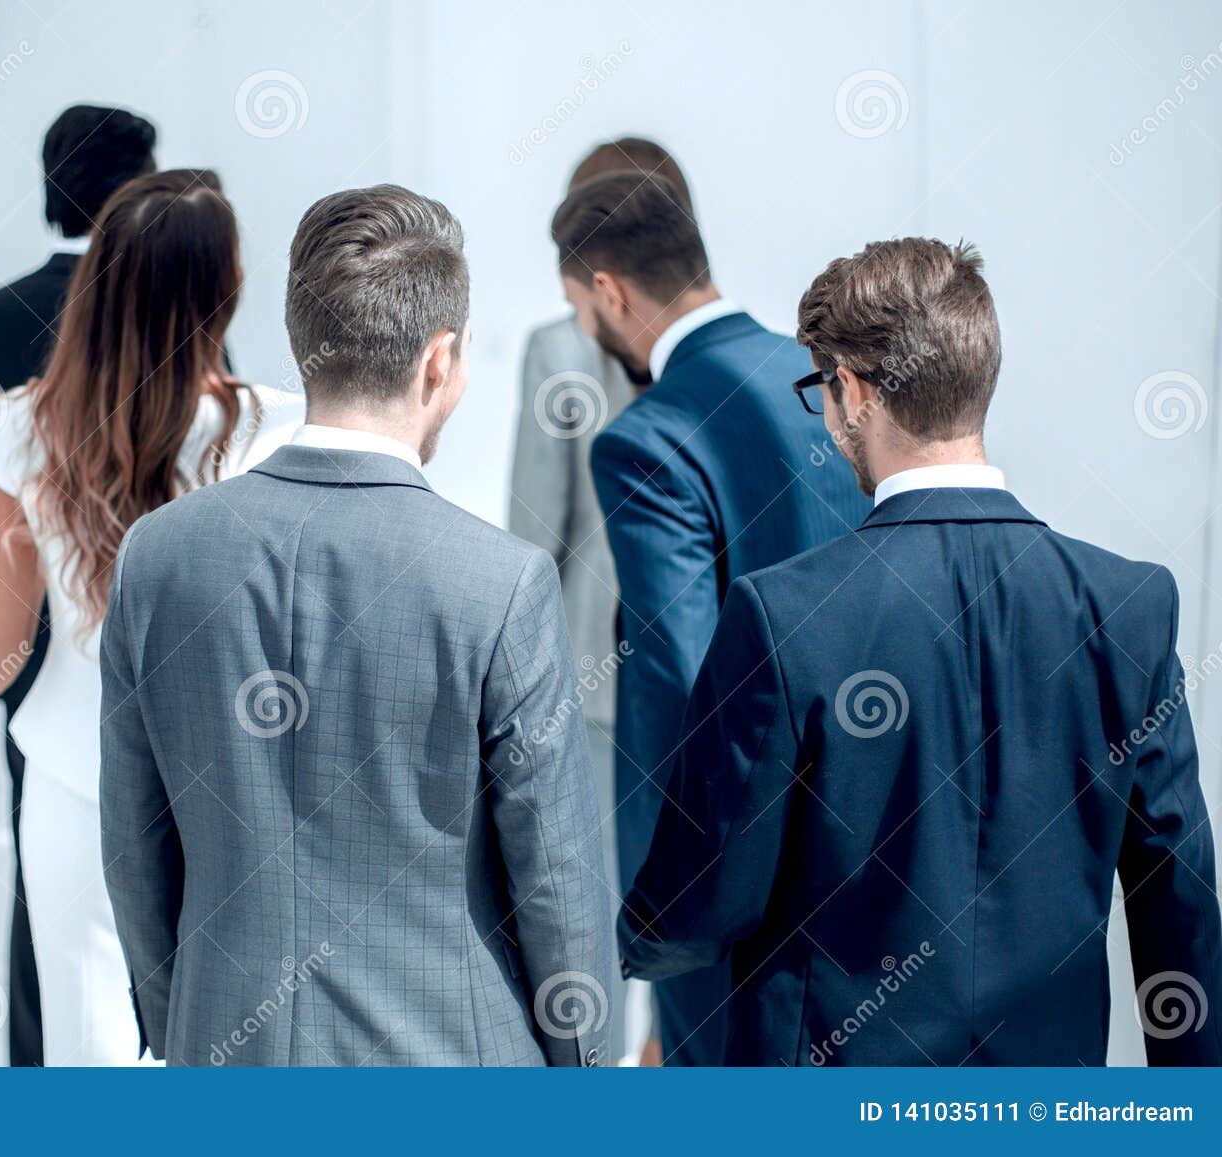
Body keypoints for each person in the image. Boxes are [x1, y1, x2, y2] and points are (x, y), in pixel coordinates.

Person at [620, 238, 1222, 1066]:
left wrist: (631, 941)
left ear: (852, 391)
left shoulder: (783, 613)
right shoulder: (1128, 605)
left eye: (822, 393)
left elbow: (703, 894)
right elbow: (1178, 898)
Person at [100, 184, 613, 1066]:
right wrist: (586, 1065)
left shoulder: (157, 554)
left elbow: (134, 843)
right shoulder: (501, 583)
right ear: (439, 360)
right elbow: (557, 879)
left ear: (302, 338)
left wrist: (183, 1022)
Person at [0, 171, 303, 1065]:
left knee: (89, 1051)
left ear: (95, 280)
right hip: (240, 785)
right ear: (227, 289)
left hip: (76, 775)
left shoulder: (14, 431)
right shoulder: (279, 431)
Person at [552, 172, 869, 1064]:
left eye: (579, 307)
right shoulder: (824, 386)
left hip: (728, 880)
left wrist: (663, 919)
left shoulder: (646, 438)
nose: (585, 327)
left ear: (608, 289)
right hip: (867, 835)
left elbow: (678, 679)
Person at [0, 103, 156, 1067]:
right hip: (162, 649)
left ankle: (41, 1075)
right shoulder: (170, 306)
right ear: (136, 190)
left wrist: (31, 582)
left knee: (46, 877)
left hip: (34, 656)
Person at [509, 136, 690, 1065]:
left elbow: (532, 539)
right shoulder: (715, 350)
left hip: (589, 678)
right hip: (693, 672)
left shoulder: (556, 350)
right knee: (690, 890)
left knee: (591, 906)